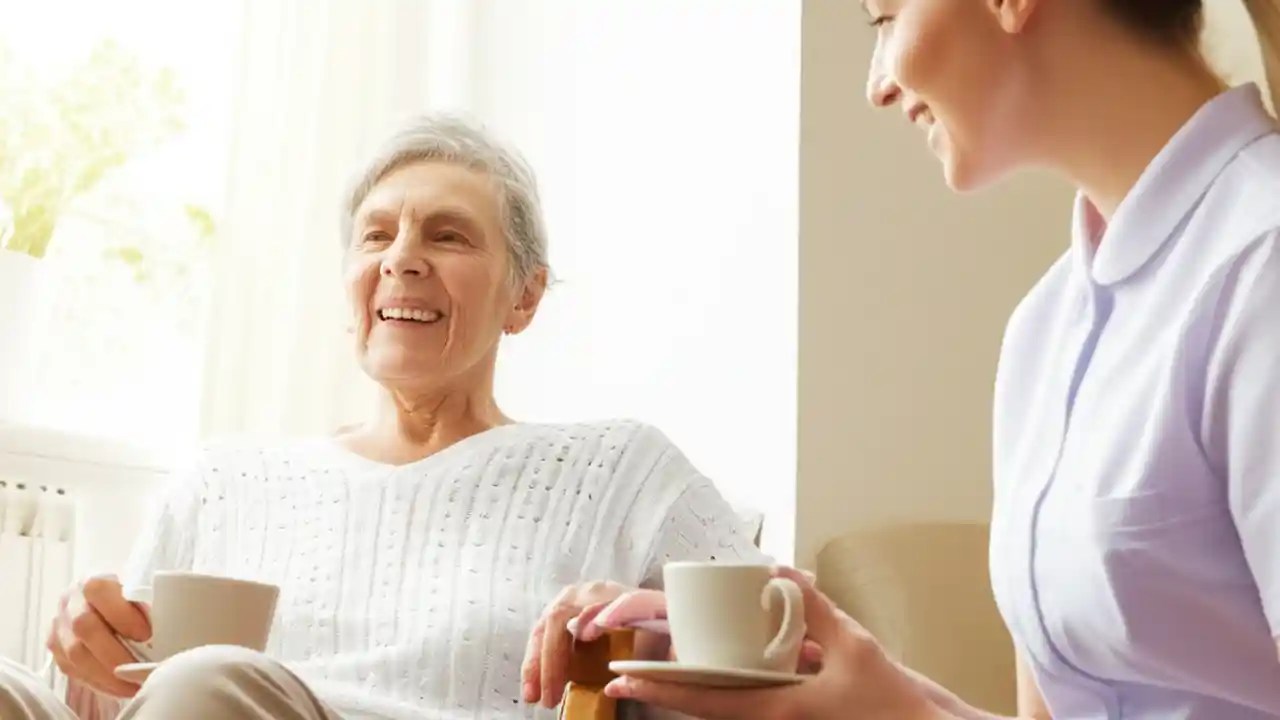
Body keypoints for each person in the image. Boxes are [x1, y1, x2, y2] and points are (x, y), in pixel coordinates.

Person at [573, 0, 1280, 718]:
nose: (877, 84)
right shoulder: (1045, 327)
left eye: (883, 18)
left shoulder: (1260, 265)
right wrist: (847, 685)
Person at [0, 116, 764, 720]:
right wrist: (82, 649)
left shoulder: (615, 470)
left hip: (222, 701)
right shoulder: (223, 477)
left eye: (448, 234)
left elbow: (784, 641)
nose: (402, 257)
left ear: (524, 298)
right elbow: (118, 695)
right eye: (377, 234)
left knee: (211, 681)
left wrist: (650, 619)